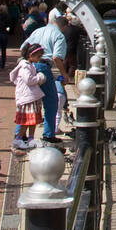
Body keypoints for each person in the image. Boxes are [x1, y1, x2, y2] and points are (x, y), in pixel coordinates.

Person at [21, 13, 67, 143]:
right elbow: (56, 57)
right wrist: (64, 74)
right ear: (64, 27)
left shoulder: (38, 30)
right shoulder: (59, 36)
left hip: (31, 65)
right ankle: (48, 134)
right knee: (51, 102)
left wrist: (27, 62)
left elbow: (23, 47)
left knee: (28, 101)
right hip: (44, 67)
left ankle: (20, 135)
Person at [10, 46, 46, 151]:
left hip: (31, 97)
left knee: (33, 120)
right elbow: (29, 80)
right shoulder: (24, 66)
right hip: (27, 98)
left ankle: (31, 138)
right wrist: (40, 77)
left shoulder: (30, 65)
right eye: (38, 56)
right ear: (31, 56)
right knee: (26, 121)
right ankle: (18, 139)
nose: (39, 59)